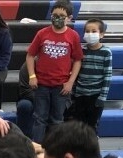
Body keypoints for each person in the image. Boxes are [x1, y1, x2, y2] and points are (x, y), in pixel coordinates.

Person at [26, 0, 83, 142]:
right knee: (39, 119)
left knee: (57, 120)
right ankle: (37, 150)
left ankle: (55, 150)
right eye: (55, 14)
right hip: (41, 85)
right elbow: (30, 55)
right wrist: (32, 75)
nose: (57, 17)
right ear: (51, 15)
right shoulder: (42, 33)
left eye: (62, 15)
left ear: (69, 17)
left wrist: (70, 82)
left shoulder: (73, 36)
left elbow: (77, 60)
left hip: (61, 86)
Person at [70, 18, 112, 131]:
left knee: (92, 127)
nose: (90, 34)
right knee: (78, 126)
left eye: (94, 31)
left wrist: (102, 97)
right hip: (80, 94)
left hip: (95, 96)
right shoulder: (81, 51)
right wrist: (74, 91)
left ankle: (91, 147)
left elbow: (107, 76)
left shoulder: (106, 52)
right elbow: (76, 72)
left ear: (102, 34)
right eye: (87, 31)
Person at [16, 62, 35, 137]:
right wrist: (42, 100)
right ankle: (23, 139)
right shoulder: (27, 66)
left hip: (54, 97)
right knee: (24, 105)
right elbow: (24, 91)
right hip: (32, 98)